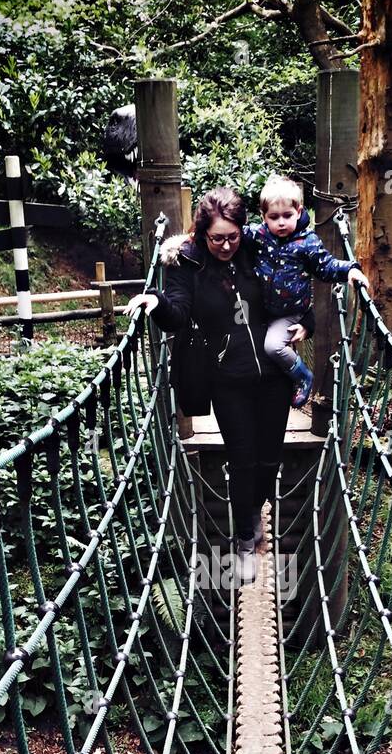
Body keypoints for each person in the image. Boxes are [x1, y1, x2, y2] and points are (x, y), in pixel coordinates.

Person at [122, 187, 308, 585]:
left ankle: (252, 511)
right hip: (227, 380)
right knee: (242, 459)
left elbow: (293, 285)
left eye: (232, 236)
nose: (225, 245)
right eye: (217, 238)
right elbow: (178, 312)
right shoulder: (188, 263)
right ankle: (244, 535)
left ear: (243, 230)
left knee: (269, 460)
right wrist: (155, 302)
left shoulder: (260, 250)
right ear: (202, 234)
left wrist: (306, 321)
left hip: (273, 377)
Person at [242, 175, 369, 408]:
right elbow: (233, 233)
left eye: (287, 216)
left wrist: (350, 270)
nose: (281, 223)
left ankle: (302, 376)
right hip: (261, 309)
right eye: (273, 217)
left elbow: (326, 265)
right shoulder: (259, 235)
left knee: (273, 346)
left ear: (299, 211)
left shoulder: (307, 242)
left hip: (289, 313)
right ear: (263, 217)